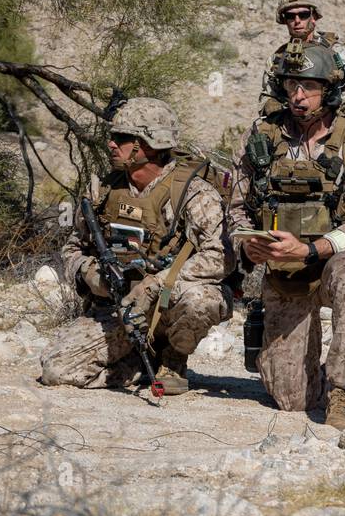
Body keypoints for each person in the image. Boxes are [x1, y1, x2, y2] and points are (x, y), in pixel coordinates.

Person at [229, 41, 345, 428]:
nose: (298, 96)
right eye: (290, 86)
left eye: (309, 87)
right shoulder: (260, 138)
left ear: (330, 89)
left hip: (336, 261)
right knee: (291, 400)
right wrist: (248, 244)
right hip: (284, 271)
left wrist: (313, 248)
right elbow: (234, 207)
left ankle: (344, 391)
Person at [41, 98, 230, 395]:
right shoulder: (103, 190)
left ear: (150, 145)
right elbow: (72, 248)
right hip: (119, 306)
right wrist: (88, 273)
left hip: (169, 302)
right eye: (113, 137)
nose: (111, 144)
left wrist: (156, 284)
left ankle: (173, 359)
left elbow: (219, 256)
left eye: (122, 138)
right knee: (56, 371)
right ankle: (141, 367)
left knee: (202, 299)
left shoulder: (192, 192)